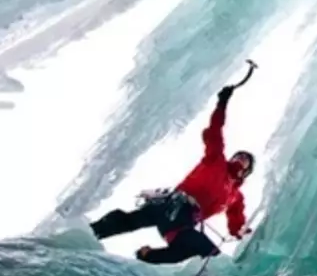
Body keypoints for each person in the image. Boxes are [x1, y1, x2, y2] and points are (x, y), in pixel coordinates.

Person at [90, 83, 254, 264]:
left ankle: (146, 256)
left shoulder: (235, 197)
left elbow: (237, 224)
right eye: (238, 155)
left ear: (247, 172)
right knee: (128, 222)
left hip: (180, 223)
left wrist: (247, 235)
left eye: (246, 159)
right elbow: (215, 132)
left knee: (191, 250)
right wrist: (222, 103)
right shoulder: (217, 161)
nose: (240, 158)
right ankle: (86, 233)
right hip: (173, 204)